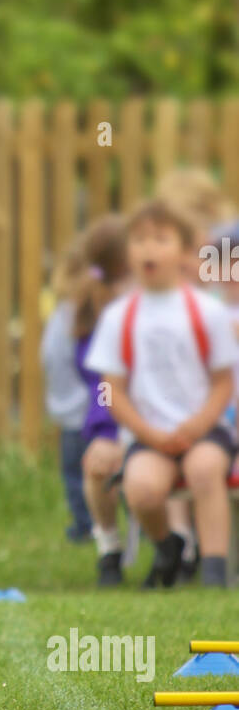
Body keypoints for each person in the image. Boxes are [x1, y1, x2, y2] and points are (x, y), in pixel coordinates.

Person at [86, 197, 239, 589]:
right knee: (141, 488)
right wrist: (149, 434)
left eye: (160, 239)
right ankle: (168, 547)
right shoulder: (119, 317)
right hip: (149, 435)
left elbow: (224, 381)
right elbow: (112, 390)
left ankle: (215, 571)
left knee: (205, 469)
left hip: (205, 430)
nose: (148, 248)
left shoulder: (206, 311)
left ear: (186, 253)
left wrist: (198, 425)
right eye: (138, 240)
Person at [65, 217, 129, 585]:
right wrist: (110, 431)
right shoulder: (95, 320)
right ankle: (109, 548)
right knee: (96, 465)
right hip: (118, 421)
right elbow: (100, 386)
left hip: (169, 421)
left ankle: (181, 548)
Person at [40, 237, 93, 543]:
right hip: (71, 410)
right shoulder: (65, 313)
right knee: (74, 475)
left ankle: (86, 526)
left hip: (79, 411)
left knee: (77, 475)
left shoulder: (76, 317)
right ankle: (85, 524)